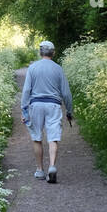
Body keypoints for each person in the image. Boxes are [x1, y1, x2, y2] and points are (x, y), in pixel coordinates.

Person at [20, 40, 74, 183]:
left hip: (36, 105)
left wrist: (24, 111)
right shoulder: (58, 69)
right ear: (53, 53)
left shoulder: (32, 68)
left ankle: (39, 170)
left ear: (40, 52)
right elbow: (66, 93)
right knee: (53, 137)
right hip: (53, 106)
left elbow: (26, 91)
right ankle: (52, 166)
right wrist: (69, 111)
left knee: (37, 137)